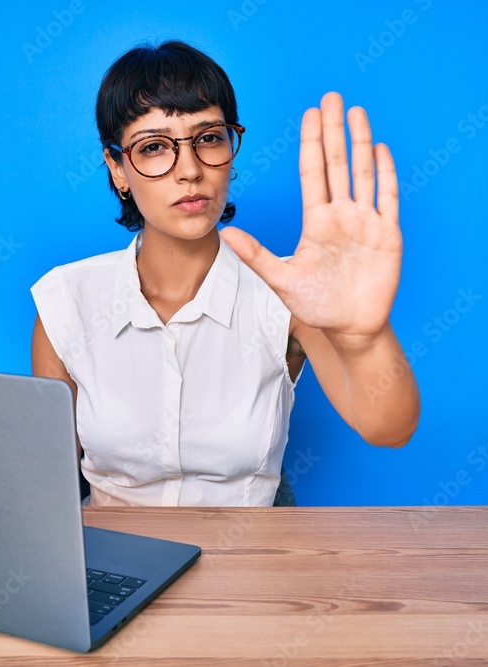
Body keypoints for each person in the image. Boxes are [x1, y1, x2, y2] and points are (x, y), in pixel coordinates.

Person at [30, 40, 420, 507]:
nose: (190, 170)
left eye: (209, 138)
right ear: (117, 168)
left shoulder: (289, 293)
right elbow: (47, 487)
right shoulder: (66, 301)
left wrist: (365, 338)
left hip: (250, 566)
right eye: (154, 147)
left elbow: (388, 429)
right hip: (113, 567)